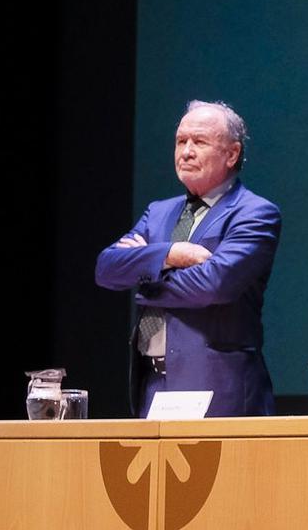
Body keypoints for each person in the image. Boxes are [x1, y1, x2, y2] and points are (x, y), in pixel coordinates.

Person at [96, 100, 279, 417]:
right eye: (181, 141)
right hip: (152, 385)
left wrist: (144, 278)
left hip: (219, 389)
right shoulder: (159, 212)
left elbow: (214, 284)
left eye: (200, 142)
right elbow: (107, 267)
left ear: (232, 154)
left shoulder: (255, 213)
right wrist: (169, 253)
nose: (186, 151)